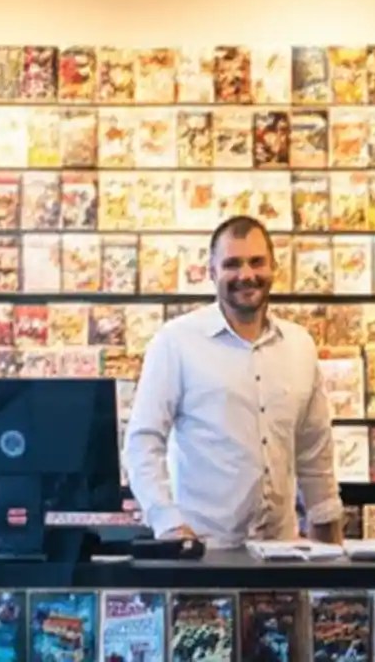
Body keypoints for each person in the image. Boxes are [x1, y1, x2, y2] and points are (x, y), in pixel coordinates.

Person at [124, 215, 344, 547]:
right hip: (204, 551)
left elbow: (314, 448)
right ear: (212, 273)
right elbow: (143, 441)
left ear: (273, 267)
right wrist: (167, 523)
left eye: (257, 262)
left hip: (282, 552)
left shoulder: (300, 345)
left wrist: (328, 532)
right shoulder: (176, 342)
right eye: (232, 264)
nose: (246, 275)